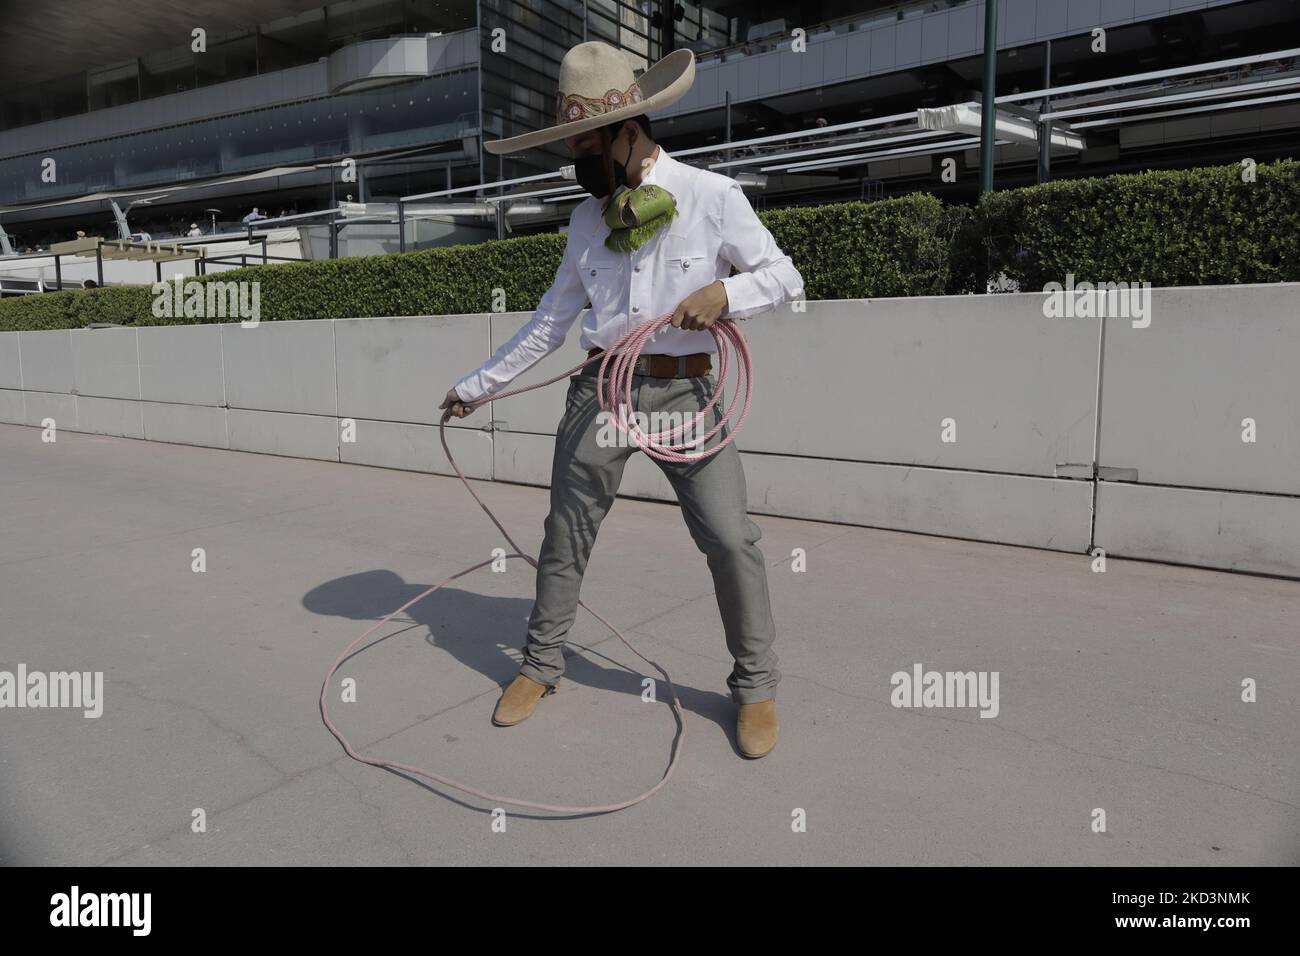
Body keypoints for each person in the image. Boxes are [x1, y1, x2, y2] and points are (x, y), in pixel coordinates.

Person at [440, 41, 803, 758]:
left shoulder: (711, 197)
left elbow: (786, 277)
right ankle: (541, 665)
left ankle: (755, 687)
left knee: (731, 538)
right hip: (602, 391)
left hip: (685, 393)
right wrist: (476, 387)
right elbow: (552, 320)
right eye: (571, 145)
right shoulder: (585, 221)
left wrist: (723, 293)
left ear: (630, 130)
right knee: (566, 533)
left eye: (587, 145)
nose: (580, 160)